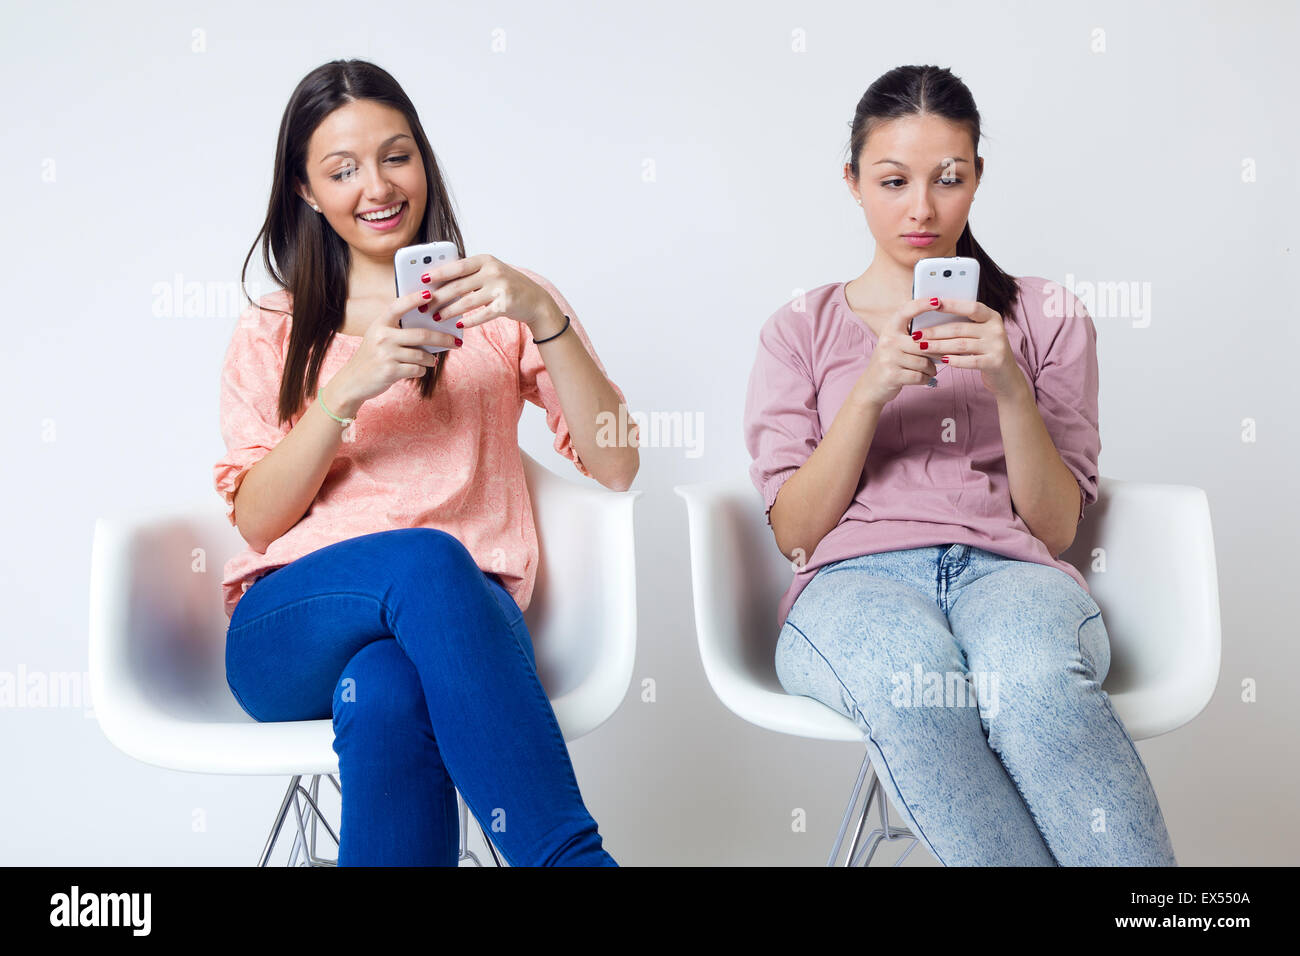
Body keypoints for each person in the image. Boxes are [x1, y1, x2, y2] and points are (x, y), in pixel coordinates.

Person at [742, 65, 1176, 866]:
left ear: (977, 177)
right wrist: (868, 393)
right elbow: (795, 532)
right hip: (853, 583)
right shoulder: (797, 330)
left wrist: (1010, 386)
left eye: (949, 178)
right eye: (893, 180)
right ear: (852, 181)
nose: (921, 207)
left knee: (1036, 680)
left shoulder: (1045, 316)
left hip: (1010, 573)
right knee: (912, 684)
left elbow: (1056, 528)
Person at [214, 59, 636, 866]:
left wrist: (544, 315)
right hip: (288, 631)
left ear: (425, 160)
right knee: (429, 558)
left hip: (461, 627)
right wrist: (349, 387)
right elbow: (260, 519)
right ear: (306, 192)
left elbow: (617, 466)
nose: (376, 187)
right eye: (342, 170)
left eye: (395, 155)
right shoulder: (273, 327)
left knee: (384, 691)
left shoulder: (503, 304)